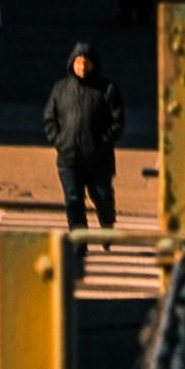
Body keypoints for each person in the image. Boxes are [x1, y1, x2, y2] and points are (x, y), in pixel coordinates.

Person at [43, 44, 121, 234]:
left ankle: (107, 225)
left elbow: (117, 121)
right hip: (69, 158)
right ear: (72, 64)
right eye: (79, 63)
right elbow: (50, 118)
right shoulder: (61, 88)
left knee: (102, 197)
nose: (83, 67)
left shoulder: (107, 89)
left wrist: (103, 143)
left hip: (98, 159)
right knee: (73, 199)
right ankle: (79, 237)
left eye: (86, 63)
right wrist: (59, 141)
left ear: (94, 65)